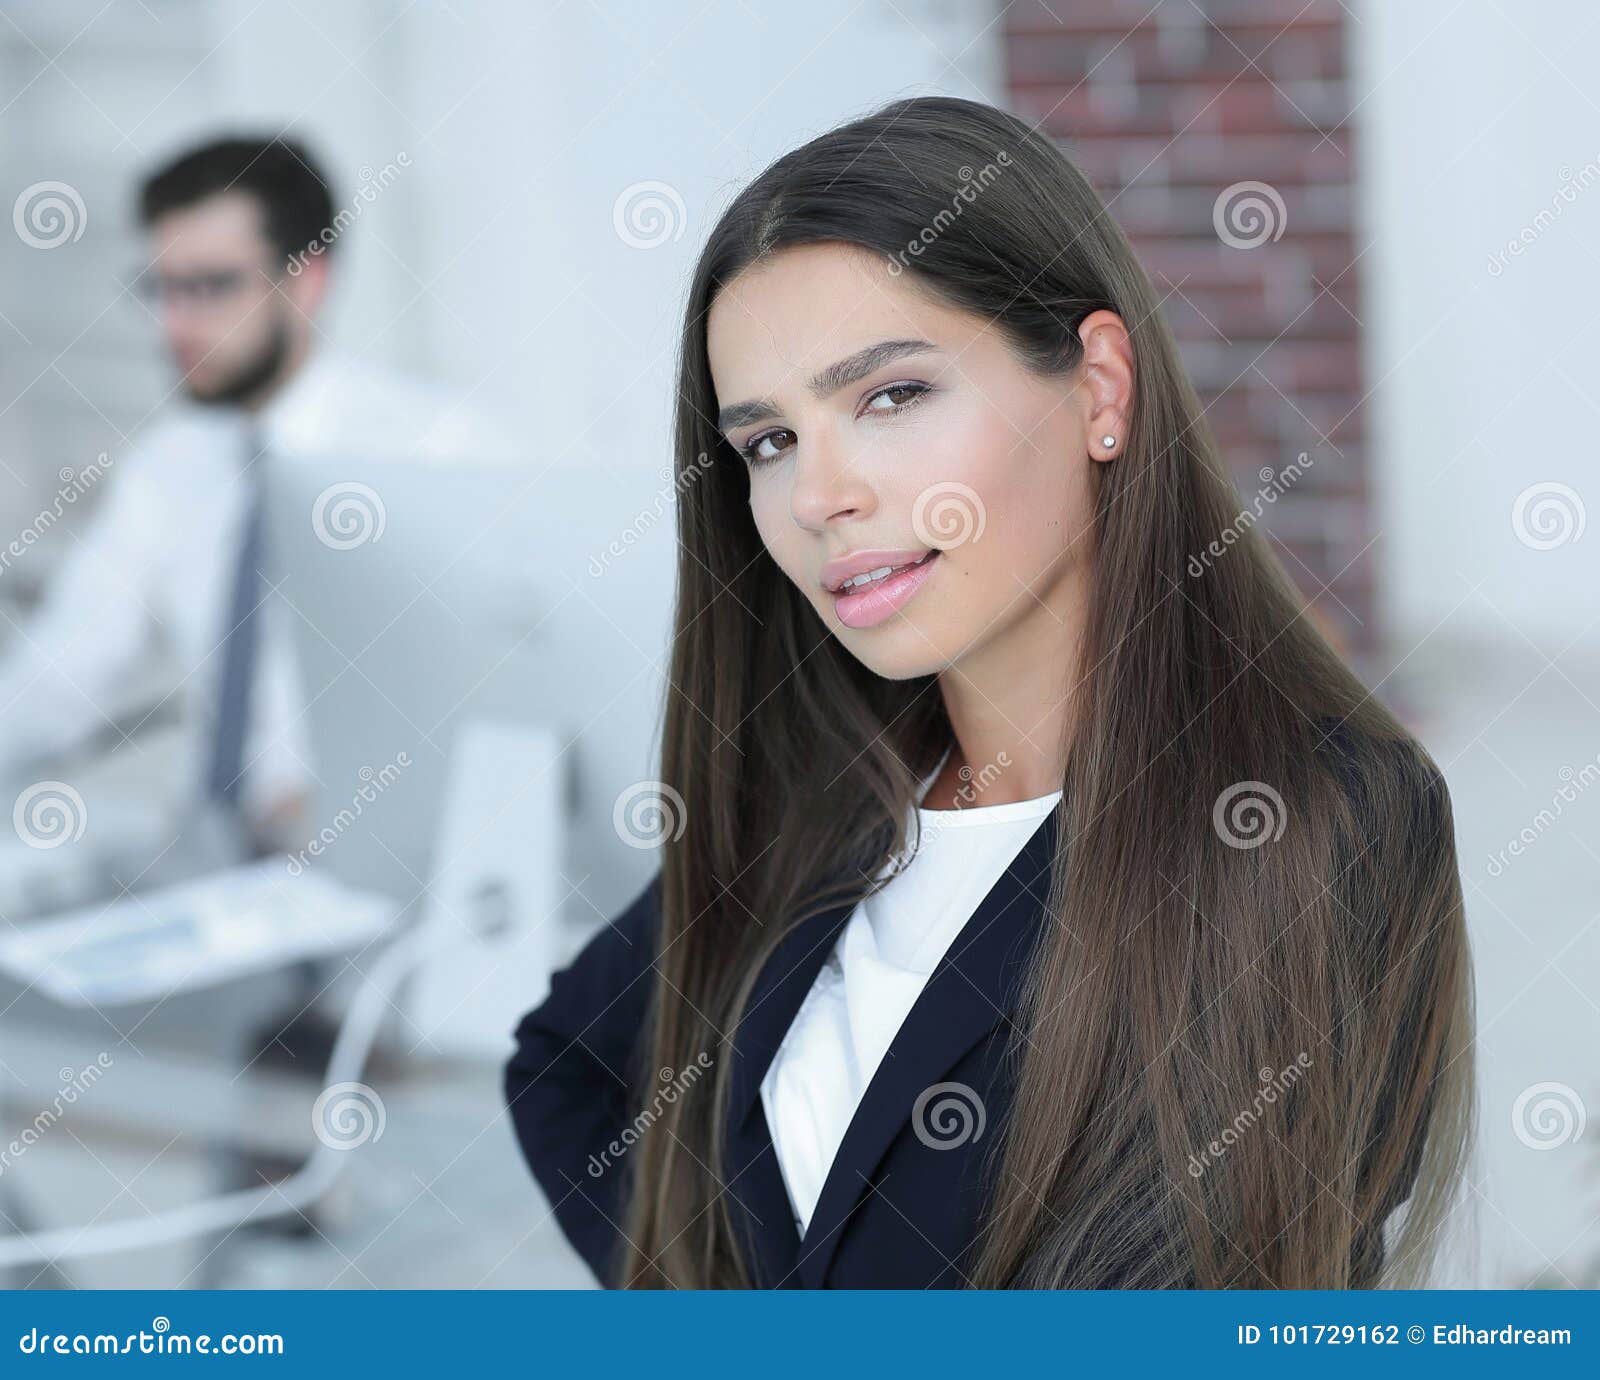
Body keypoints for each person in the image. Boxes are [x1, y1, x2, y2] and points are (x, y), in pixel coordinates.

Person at [503, 96, 1475, 1289]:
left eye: (891, 396)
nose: (819, 495)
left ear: (1100, 390)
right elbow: (567, 1067)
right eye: (768, 443)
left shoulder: (1320, 818)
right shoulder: (827, 790)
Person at [0, 134, 512, 860]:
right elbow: (58, 677)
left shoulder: (439, 449)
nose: (172, 324)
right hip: (213, 871)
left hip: (388, 869)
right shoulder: (170, 463)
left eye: (208, 287)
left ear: (306, 281)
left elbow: (501, 703)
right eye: (160, 287)